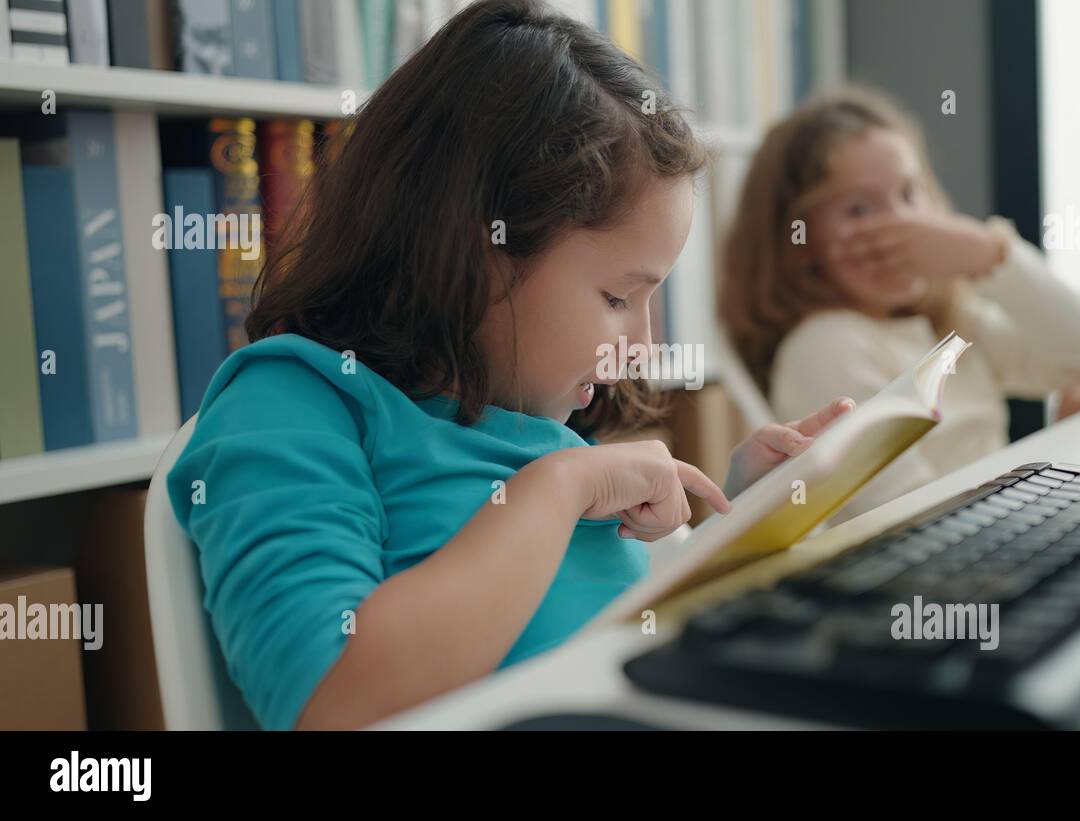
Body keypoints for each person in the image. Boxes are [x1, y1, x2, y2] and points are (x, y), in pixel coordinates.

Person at [166, 0, 851, 730]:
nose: (643, 347)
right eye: (619, 295)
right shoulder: (290, 404)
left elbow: (602, 619)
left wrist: (735, 522)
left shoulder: (523, 417)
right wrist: (557, 488)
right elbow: (328, 699)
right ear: (475, 251)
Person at [720, 85, 1080, 520]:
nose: (899, 224)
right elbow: (910, 516)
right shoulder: (826, 345)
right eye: (858, 209)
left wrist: (988, 252)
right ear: (796, 238)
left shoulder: (951, 325)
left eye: (909, 195)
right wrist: (1057, 452)